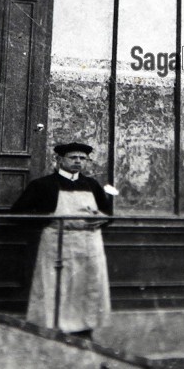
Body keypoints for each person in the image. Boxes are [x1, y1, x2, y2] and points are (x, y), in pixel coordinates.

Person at [10, 141, 114, 339]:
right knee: (57, 285)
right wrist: (50, 218)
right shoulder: (43, 185)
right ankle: (53, 328)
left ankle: (85, 329)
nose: (78, 162)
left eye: (82, 158)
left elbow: (108, 214)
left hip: (89, 244)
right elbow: (17, 213)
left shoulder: (92, 185)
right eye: (73, 157)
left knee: (88, 285)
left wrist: (103, 218)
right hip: (58, 242)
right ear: (59, 160)